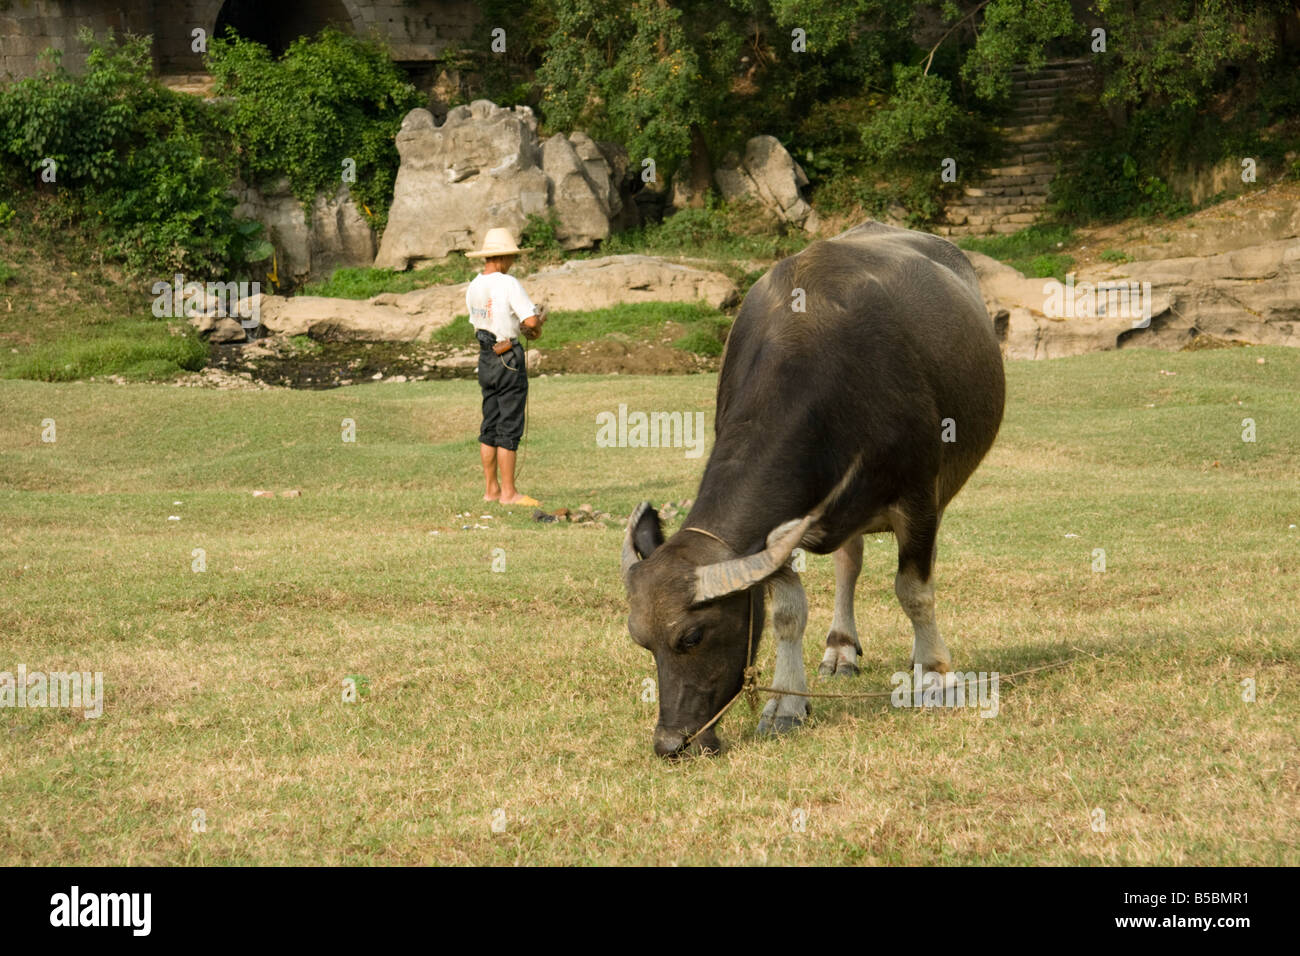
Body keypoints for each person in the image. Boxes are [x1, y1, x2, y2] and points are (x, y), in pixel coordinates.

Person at [464, 227, 547, 505]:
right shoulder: (508, 283)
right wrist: (535, 325)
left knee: (490, 424)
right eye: (511, 256)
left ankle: (491, 491)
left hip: (485, 358)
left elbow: (481, 320)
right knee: (509, 426)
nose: (512, 261)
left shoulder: (474, 285)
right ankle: (509, 494)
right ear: (502, 257)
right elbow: (531, 322)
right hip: (508, 358)